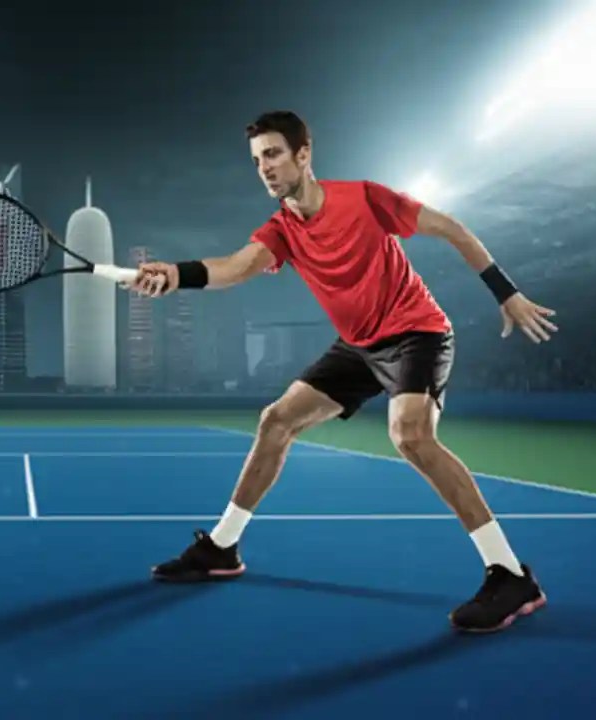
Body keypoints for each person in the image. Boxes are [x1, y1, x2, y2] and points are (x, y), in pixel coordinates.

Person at [131, 110, 558, 634]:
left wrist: (506, 293)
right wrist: (176, 274)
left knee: (411, 436)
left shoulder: (364, 198)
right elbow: (239, 266)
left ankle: (511, 575)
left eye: (273, 154)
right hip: (359, 346)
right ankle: (221, 547)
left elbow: (450, 228)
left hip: (416, 333)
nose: (264, 168)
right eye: (257, 160)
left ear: (303, 155)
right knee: (275, 421)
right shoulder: (282, 229)